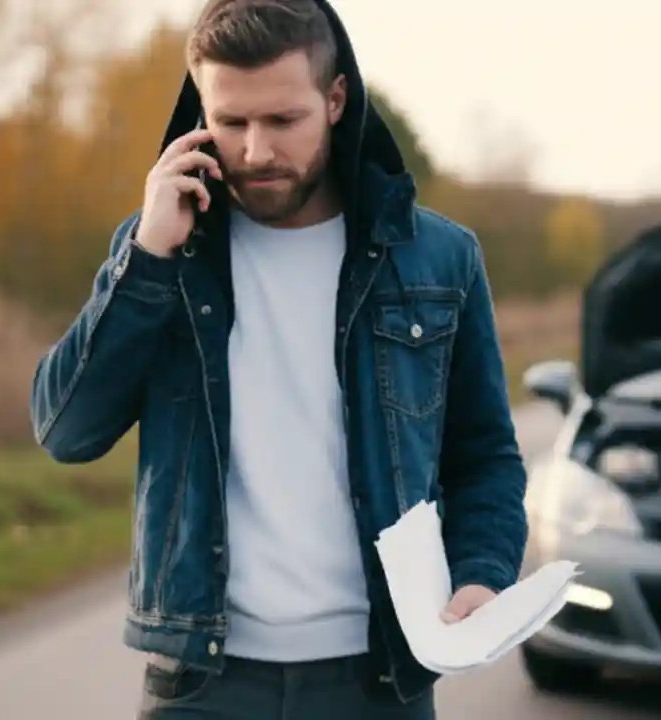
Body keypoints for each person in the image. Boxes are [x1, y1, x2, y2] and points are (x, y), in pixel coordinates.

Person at [29, 0, 528, 716]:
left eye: (282, 121)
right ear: (201, 112)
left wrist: (482, 574)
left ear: (334, 99)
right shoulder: (162, 254)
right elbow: (66, 432)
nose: (256, 151)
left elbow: (484, 456)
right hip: (202, 683)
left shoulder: (439, 258)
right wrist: (146, 260)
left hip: (377, 678)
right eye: (231, 122)